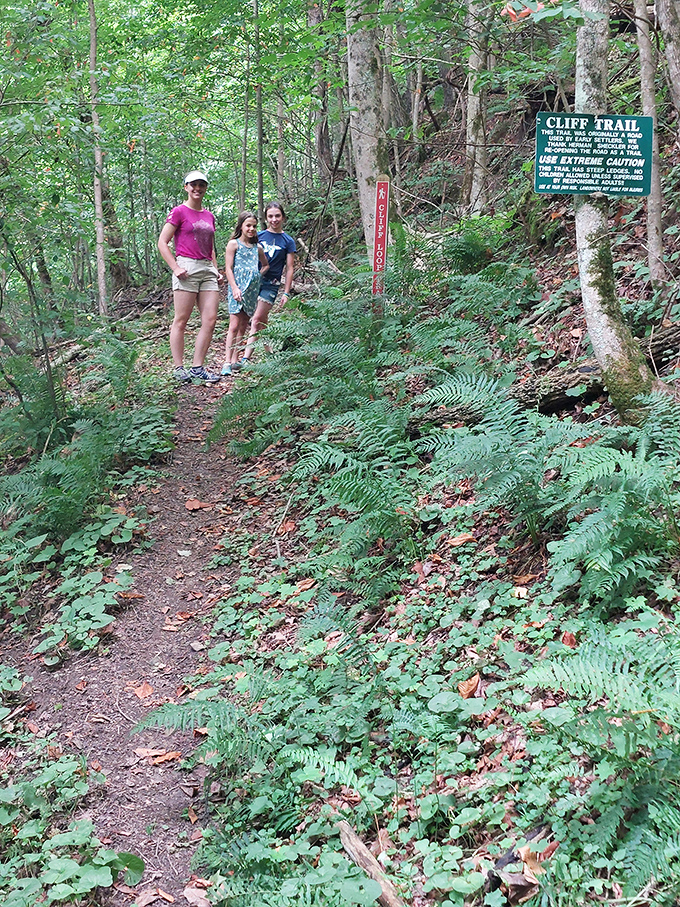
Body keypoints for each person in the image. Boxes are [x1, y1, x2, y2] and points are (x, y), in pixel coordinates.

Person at [158, 170, 223, 385]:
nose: (197, 188)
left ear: (205, 188)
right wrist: (175, 267)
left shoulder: (209, 215)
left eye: (201, 185)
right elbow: (162, 242)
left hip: (207, 269)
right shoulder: (178, 212)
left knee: (210, 319)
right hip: (186, 266)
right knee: (181, 320)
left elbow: (210, 247)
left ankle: (197, 367)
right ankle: (178, 368)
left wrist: (216, 269)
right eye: (193, 184)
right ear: (186, 187)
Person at [241, 201, 296, 365]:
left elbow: (290, 268)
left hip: (271, 284)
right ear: (266, 218)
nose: (274, 219)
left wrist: (286, 292)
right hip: (254, 282)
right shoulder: (259, 236)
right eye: (270, 216)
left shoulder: (288, 241)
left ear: (283, 217)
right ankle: (270, 354)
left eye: (277, 216)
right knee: (261, 321)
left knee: (257, 319)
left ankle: (246, 358)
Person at [221, 212, 269, 376]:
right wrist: (234, 287)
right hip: (237, 289)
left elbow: (265, 265)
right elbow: (228, 268)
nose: (251, 229)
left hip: (251, 291)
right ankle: (227, 361)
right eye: (248, 225)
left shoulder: (258, 248)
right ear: (241, 225)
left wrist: (257, 276)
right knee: (234, 326)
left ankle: (235, 360)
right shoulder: (233, 244)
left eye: (254, 226)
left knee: (243, 325)